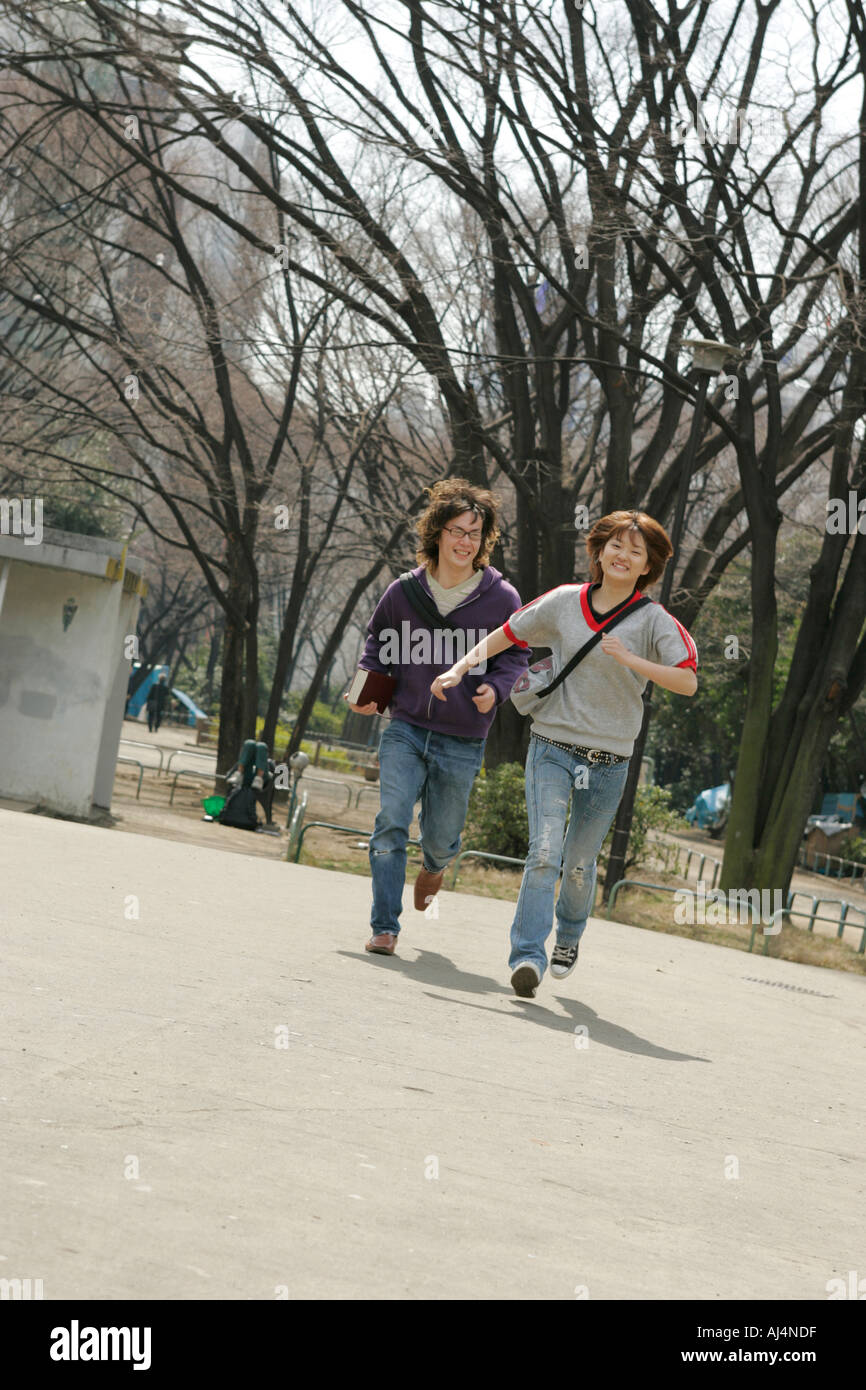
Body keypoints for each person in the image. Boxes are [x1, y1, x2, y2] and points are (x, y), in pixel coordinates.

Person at [432, 509, 698, 998]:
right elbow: (508, 634)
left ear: (647, 567)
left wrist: (633, 660)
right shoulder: (562, 602)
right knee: (545, 853)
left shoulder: (656, 621)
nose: (623, 555)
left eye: (635, 551)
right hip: (552, 746)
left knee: (578, 864)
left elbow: (687, 679)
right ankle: (527, 957)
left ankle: (569, 935)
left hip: (609, 761)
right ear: (598, 550)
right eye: (615, 545)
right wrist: (459, 668)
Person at [346, 478, 529, 956]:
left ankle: (436, 863)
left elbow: (516, 655)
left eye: (475, 532)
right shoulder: (404, 591)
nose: (465, 541)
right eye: (457, 530)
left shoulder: (501, 598)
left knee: (443, 836)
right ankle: (385, 926)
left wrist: (497, 686)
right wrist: (367, 685)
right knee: (390, 820)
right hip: (405, 727)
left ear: (484, 539)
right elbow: (377, 644)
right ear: (437, 534)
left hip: (463, 737)